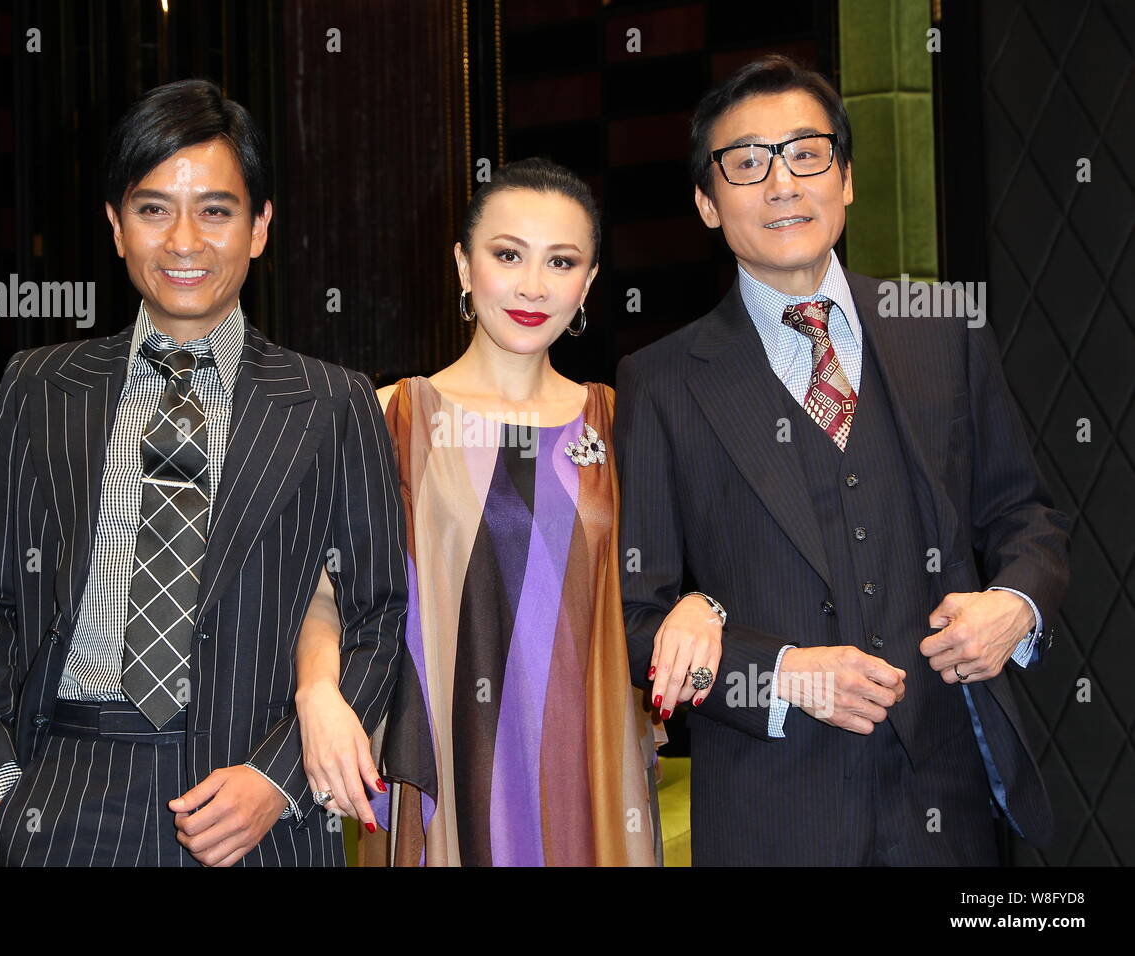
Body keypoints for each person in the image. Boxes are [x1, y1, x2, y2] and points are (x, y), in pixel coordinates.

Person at [615, 55, 1070, 866]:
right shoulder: (659, 382)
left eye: (807, 153)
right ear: (707, 204)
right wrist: (780, 674)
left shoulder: (942, 327)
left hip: (952, 802)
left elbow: (1024, 516)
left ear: (848, 179)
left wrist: (1014, 604)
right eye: (747, 163)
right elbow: (634, 622)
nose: (782, 182)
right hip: (774, 815)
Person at [0, 78, 406, 867]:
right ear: (117, 227)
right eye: (154, 209)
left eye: (216, 211)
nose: (184, 240)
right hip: (66, 790)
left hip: (253, 805)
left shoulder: (333, 402)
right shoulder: (39, 387)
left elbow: (378, 615)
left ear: (259, 228)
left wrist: (282, 778)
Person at [292, 158, 699, 866]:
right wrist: (318, 693)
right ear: (462, 264)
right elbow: (324, 596)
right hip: (446, 769)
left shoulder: (620, 421)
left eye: (561, 262)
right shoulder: (393, 417)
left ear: (589, 285)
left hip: (592, 778)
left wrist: (702, 606)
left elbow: (666, 584)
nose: (533, 286)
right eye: (507, 255)